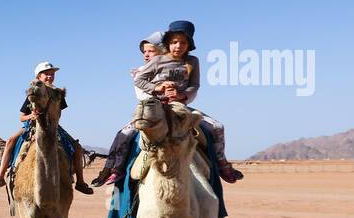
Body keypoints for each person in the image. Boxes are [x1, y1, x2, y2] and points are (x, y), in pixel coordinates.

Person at [132, 20, 243, 182]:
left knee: (217, 127)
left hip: (180, 107)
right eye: (174, 42)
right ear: (168, 43)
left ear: (189, 44)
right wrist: (159, 88)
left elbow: (195, 85)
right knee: (126, 134)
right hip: (157, 107)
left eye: (183, 42)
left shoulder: (192, 62)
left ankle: (222, 165)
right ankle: (115, 167)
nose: (178, 46)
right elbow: (139, 80)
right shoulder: (157, 61)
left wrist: (181, 96)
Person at [0, 62, 93, 194]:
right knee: (10, 141)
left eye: (52, 74)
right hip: (32, 125)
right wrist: (32, 116)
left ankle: (80, 182)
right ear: (39, 77)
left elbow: (59, 113)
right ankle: (0, 177)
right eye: (47, 74)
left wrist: (52, 123)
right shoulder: (33, 93)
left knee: (77, 148)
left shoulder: (58, 93)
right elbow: (21, 117)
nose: (50, 76)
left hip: (53, 126)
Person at [93, 30, 165, 186]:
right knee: (123, 135)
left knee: (210, 128)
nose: (146, 54)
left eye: (150, 51)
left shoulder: (170, 69)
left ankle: (219, 165)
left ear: (162, 52)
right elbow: (142, 94)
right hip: (148, 111)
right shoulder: (141, 71)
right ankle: (113, 169)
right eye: (144, 51)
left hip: (170, 108)